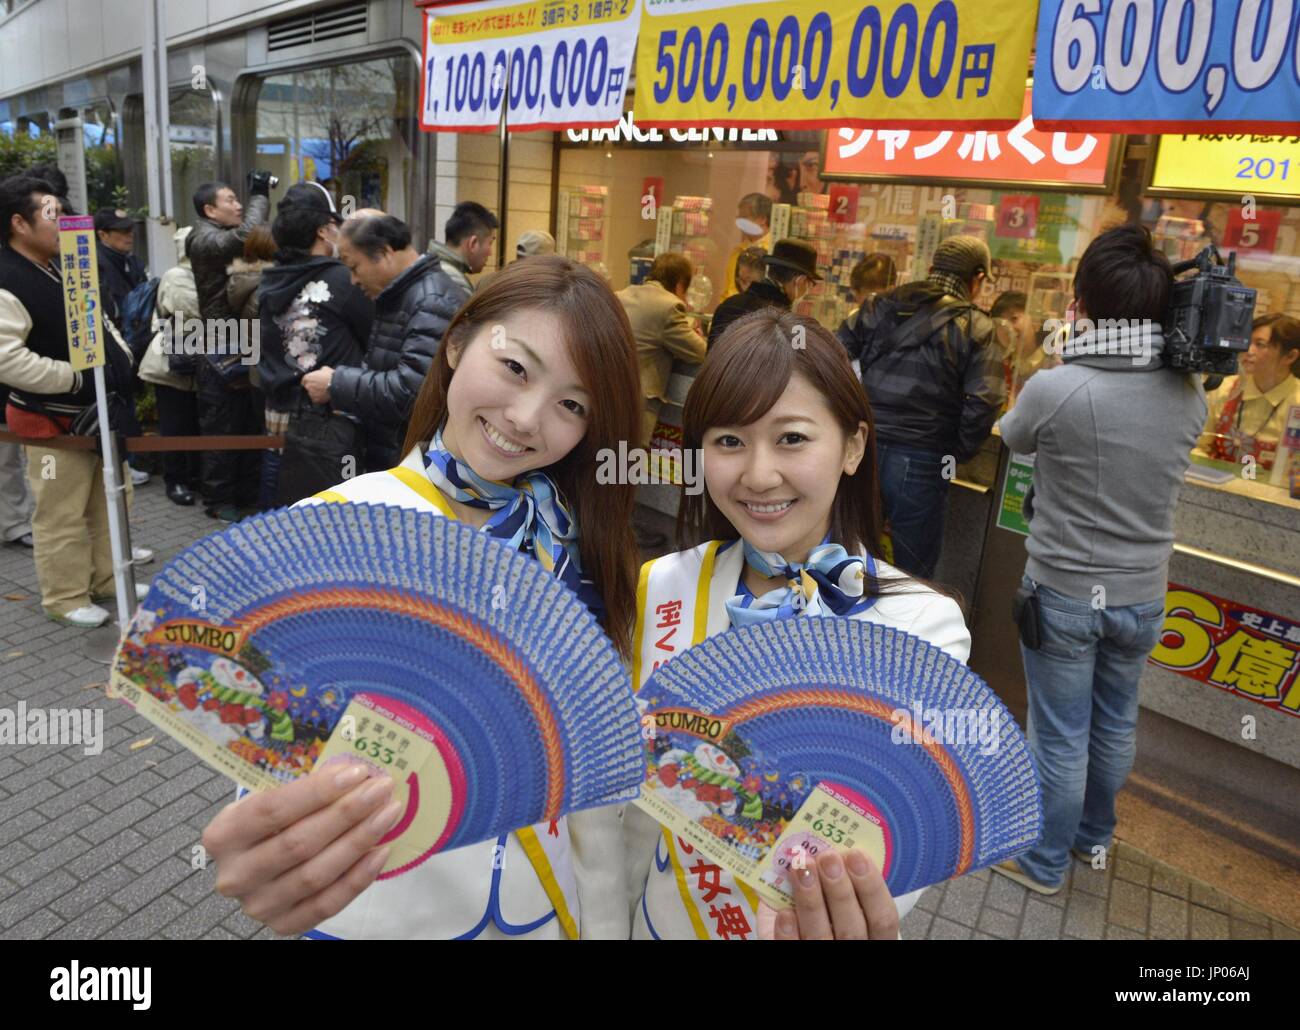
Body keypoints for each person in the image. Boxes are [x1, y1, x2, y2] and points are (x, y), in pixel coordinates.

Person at [202, 255, 643, 939]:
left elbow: (599, 795)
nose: (527, 419)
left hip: (544, 912)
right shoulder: (339, 526)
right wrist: (273, 847)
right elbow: (271, 749)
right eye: (516, 368)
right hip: (386, 912)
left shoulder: (580, 552)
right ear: (458, 343)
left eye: (572, 405)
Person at [626, 308, 971, 940]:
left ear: (854, 447)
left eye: (792, 438)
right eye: (729, 441)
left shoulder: (921, 627)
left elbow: (901, 841)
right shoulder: (664, 587)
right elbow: (631, 811)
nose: (758, 475)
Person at [994, 224, 1208, 896]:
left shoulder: (1059, 388)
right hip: (1144, 594)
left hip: (1064, 592)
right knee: (1115, 722)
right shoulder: (1189, 394)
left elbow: (1011, 436)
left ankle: (1043, 862)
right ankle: (1091, 840)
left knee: (1058, 734)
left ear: (1084, 301)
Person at [0, 175, 145, 626]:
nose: (62, 221)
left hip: (100, 411)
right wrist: (75, 380)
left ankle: (106, 578)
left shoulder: (63, 264)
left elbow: (98, 321)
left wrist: (120, 360)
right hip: (51, 423)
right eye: (52, 213)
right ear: (19, 223)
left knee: (109, 498)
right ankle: (64, 596)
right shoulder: (7, 277)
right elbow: (8, 359)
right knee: (60, 510)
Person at [841, 235, 1004, 579]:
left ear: (931, 270)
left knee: (850, 560)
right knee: (911, 573)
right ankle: (898, 632)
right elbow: (985, 400)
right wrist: (953, 450)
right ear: (975, 278)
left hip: (862, 451)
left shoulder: (877, 306)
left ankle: (844, 628)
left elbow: (831, 358)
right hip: (922, 462)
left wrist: (848, 426)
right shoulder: (976, 326)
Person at [302, 213, 464, 472]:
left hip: (411, 462)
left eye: (354, 267)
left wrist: (336, 384)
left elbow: (415, 392)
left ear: (384, 252)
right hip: (394, 453)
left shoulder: (431, 300)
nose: (353, 280)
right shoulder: (401, 295)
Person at [259, 185, 373, 504]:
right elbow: (373, 339)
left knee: (278, 496)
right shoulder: (342, 280)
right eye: (336, 225)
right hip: (327, 417)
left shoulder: (269, 279)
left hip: (277, 410)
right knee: (329, 512)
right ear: (323, 231)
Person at [187, 176, 273, 521]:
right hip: (217, 347)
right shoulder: (203, 239)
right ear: (210, 209)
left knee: (247, 425)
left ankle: (245, 494)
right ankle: (219, 500)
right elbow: (245, 234)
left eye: (240, 199)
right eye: (231, 200)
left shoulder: (215, 237)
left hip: (239, 343)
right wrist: (259, 194)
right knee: (221, 428)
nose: (238, 206)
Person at [615, 252, 706, 448]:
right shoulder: (669, 306)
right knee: (624, 470)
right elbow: (700, 352)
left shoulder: (620, 296)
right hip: (637, 407)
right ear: (681, 284)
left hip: (608, 397)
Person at [138, 224, 202, 506]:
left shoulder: (206, 274)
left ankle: (193, 476)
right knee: (176, 425)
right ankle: (174, 481)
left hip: (198, 363)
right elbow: (190, 311)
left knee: (194, 424)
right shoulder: (178, 276)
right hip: (171, 365)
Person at [1199, 313, 1300, 478]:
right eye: (1248, 342)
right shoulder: (1225, 387)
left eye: (1260, 344)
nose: (1248, 350)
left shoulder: (1296, 401)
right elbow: (1200, 446)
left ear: (1290, 356)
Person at [708, 239, 819, 349]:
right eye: (810, 283)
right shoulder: (796, 327)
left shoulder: (728, 305)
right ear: (800, 281)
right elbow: (800, 365)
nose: (808, 289)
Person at [429, 200, 498, 295]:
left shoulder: (432, 268)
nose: (490, 253)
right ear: (473, 244)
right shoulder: (454, 283)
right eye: (490, 243)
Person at [93, 208, 147, 323]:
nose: (130, 234)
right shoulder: (95, 266)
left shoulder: (132, 261)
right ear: (103, 235)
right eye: (123, 230)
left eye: (131, 229)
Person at [720, 193, 772, 302]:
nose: (739, 222)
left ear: (762, 219)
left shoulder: (773, 251)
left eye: (744, 217)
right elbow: (728, 290)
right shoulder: (737, 251)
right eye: (738, 218)